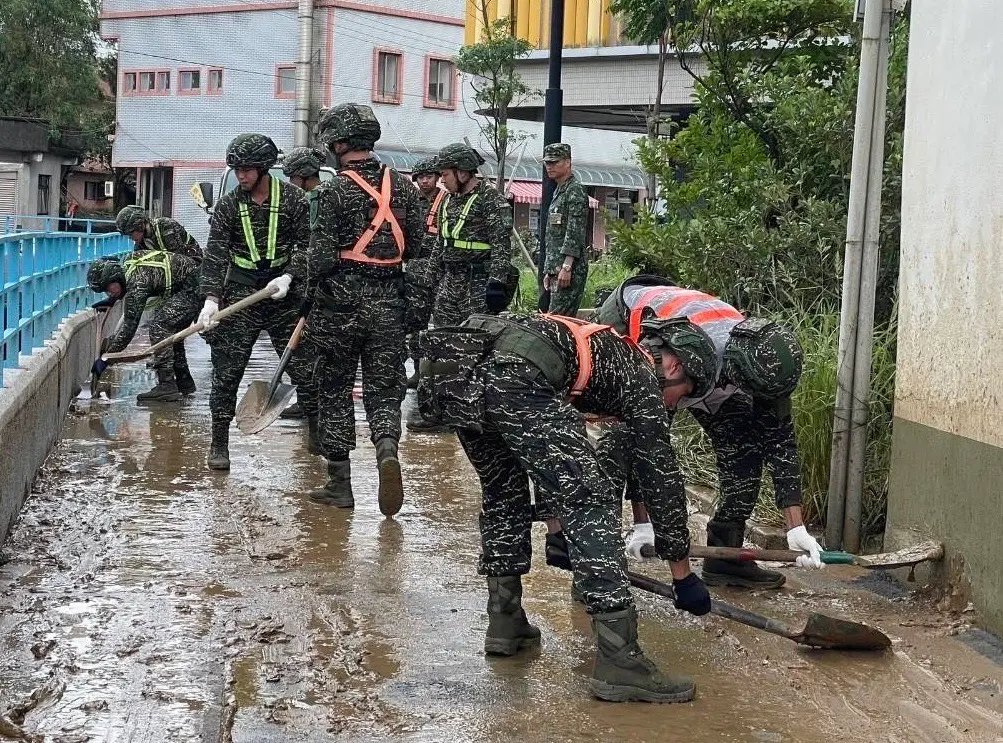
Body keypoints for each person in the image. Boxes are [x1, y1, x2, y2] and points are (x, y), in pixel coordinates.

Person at [417, 312, 718, 703]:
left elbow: (552, 437)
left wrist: (557, 532)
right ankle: (619, 659)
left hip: (458, 369)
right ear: (674, 365)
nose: (677, 403)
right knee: (589, 500)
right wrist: (682, 574)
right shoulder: (643, 376)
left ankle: (505, 624)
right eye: (687, 391)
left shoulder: (603, 353)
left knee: (503, 494)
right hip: (511, 373)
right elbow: (661, 478)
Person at [594, 276, 824, 588]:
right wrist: (643, 522)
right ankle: (596, 565)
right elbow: (645, 442)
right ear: (736, 375)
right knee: (620, 445)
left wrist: (795, 529)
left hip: (702, 352)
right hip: (627, 318)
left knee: (745, 448)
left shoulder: (765, 361)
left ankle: (726, 557)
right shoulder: (675, 352)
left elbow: (781, 441)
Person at [304, 103, 423, 516]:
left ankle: (340, 484)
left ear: (339, 143)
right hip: (391, 302)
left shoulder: (331, 192)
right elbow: (419, 249)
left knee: (334, 389)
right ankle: (387, 449)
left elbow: (318, 259)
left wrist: (305, 294)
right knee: (383, 388)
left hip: (339, 305)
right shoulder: (405, 189)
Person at [197, 133, 316, 471]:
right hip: (241, 294)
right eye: (236, 170)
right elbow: (216, 255)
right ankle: (219, 443)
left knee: (306, 371)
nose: (241, 176)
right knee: (226, 373)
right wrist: (210, 299)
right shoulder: (228, 206)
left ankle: (318, 439)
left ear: (264, 169)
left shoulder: (295, 200)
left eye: (247, 169)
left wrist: (290, 276)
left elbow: (306, 246)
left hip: (283, 295)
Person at [87, 252, 201, 402]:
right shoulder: (129, 266)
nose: (109, 293)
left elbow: (129, 328)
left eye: (109, 288)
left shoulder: (136, 283)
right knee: (173, 333)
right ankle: (183, 381)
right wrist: (112, 299)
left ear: (116, 278)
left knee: (160, 326)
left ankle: (167, 385)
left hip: (194, 287)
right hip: (191, 282)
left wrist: (106, 358)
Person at [425, 143, 513, 326]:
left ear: (462, 173)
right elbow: (441, 243)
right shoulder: (448, 200)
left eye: (445, 174)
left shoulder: (490, 198)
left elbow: (501, 245)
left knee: (476, 340)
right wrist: (428, 280)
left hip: (477, 285)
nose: (441, 181)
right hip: (449, 283)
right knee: (443, 338)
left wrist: (496, 284)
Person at [278, 145, 329, 421]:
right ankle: (309, 398)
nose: (290, 184)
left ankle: (315, 401)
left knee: (313, 349)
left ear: (304, 176)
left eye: (293, 177)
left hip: (318, 284)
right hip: (304, 282)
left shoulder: (318, 200)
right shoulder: (308, 200)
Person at [404, 156, 445, 390]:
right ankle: (418, 370)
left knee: (440, 322)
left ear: (437, 177)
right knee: (416, 322)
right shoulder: (413, 201)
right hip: (416, 268)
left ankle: (438, 372)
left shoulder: (447, 200)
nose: (425, 181)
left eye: (429, 176)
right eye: (420, 177)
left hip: (440, 268)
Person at [540, 143, 589, 316]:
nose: (549, 166)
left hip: (569, 269)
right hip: (557, 269)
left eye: (554, 162)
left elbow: (574, 231)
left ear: (568, 162)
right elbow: (555, 235)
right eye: (547, 163)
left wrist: (566, 267)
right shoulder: (560, 190)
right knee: (556, 321)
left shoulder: (574, 190)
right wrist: (550, 270)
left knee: (560, 322)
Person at [115, 205, 203, 263]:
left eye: (131, 233)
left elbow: (178, 260)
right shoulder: (140, 244)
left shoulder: (166, 227)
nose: (130, 238)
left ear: (140, 226)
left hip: (193, 266)